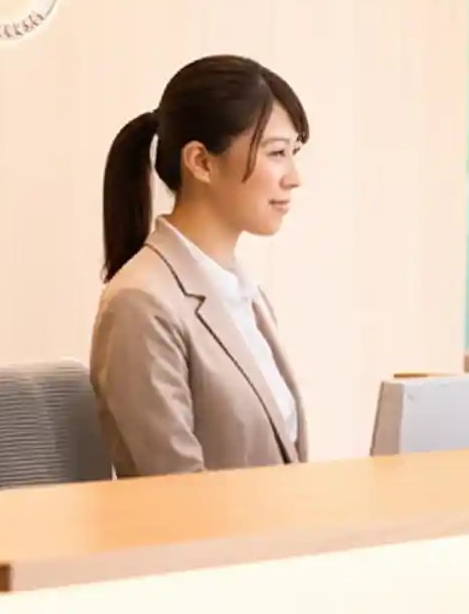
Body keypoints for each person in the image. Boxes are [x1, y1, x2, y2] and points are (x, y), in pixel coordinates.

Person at [91, 54, 311, 477]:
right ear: (201, 162)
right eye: (277, 153)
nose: (294, 176)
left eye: (293, 152)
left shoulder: (244, 293)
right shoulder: (141, 302)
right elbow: (174, 494)